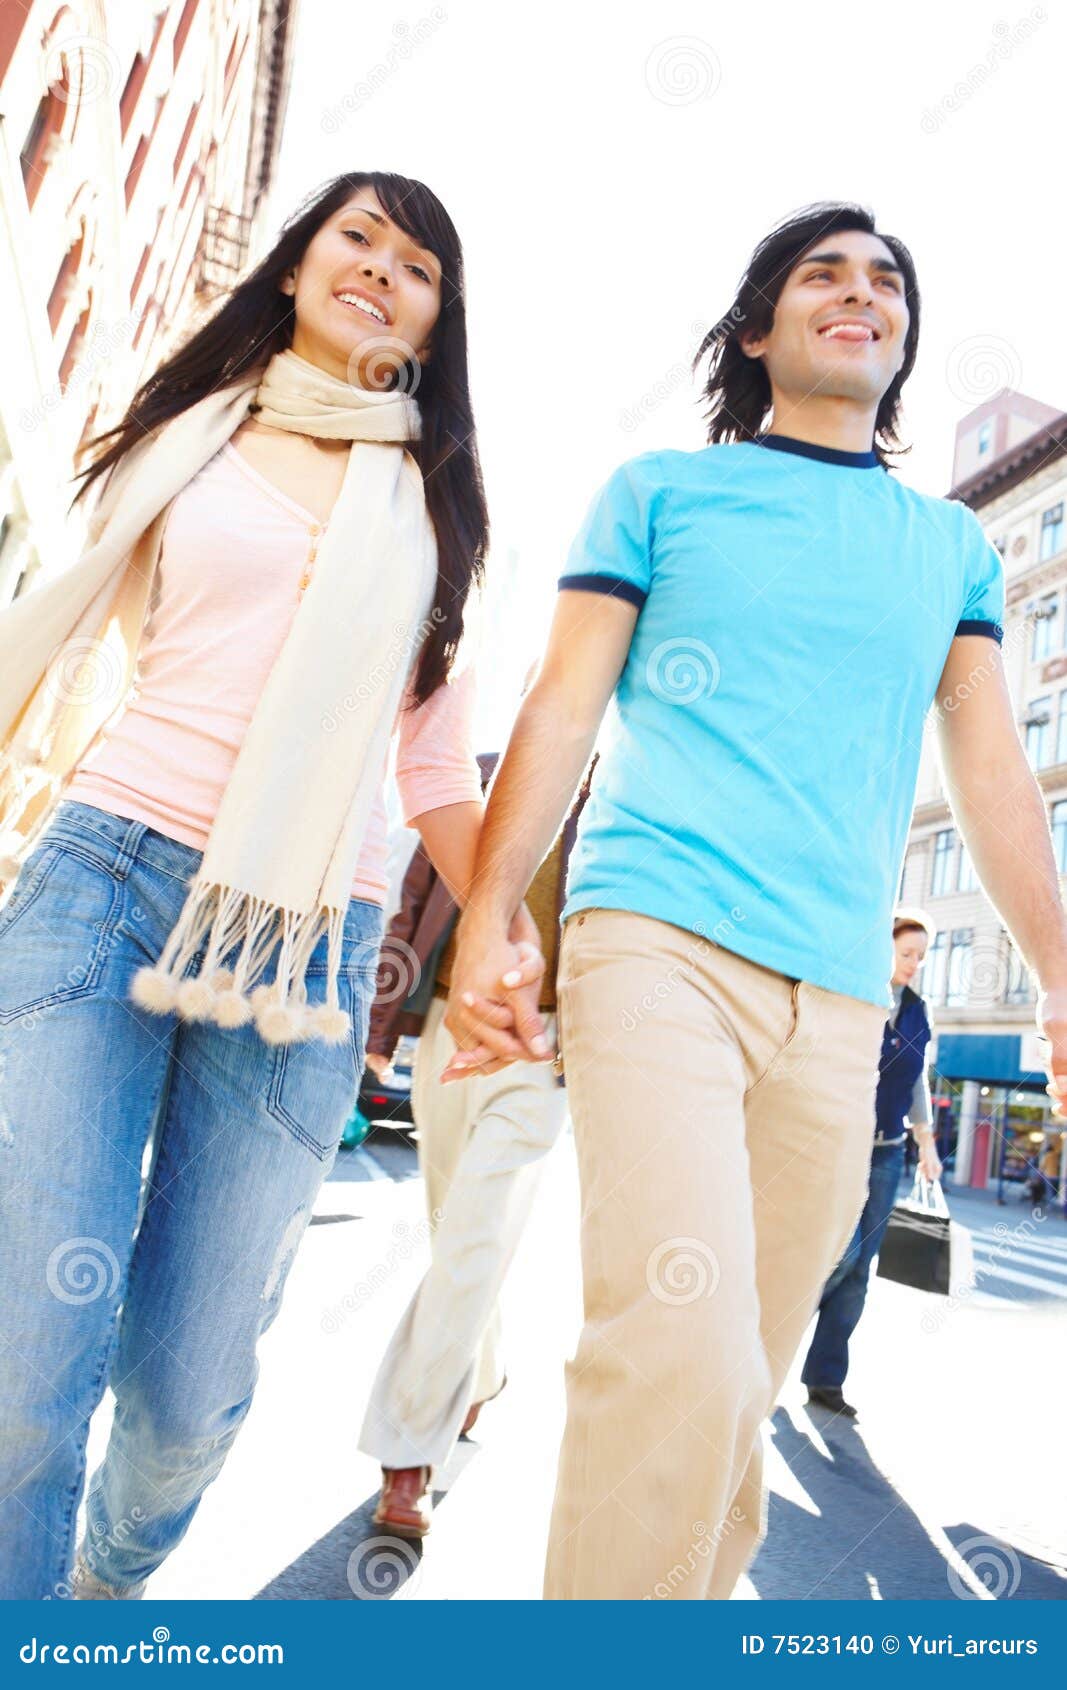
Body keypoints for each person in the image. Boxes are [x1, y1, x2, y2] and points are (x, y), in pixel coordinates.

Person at [441, 201, 1067, 1600]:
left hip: (838, 999)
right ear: (755, 329)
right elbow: (561, 706)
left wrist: (1054, 969)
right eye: (820, 276)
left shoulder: (947, 551)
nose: (859, 294)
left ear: (899, 339)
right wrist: (490, 910)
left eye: (883, 283)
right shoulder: (660, 493)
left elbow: (987, 775)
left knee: (736, 1379)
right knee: (669, 1345)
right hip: (654, 934)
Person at [0, 172, 540, 1600]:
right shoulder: (187, 434)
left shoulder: (439, 518)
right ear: (296, 264)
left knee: (183, 1397)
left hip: (307, 944)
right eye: (354, 234)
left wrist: (498, 932)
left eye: (415, 258)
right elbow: (50, 623)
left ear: (438, 315)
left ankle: (104, 1580)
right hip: (100, 881)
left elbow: (433, 774)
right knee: (22, 1364)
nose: (378, 265)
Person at [357, 758, 594, 1535]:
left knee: (475, 1235)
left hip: (542, 1051)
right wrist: (379, 1031)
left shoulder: (629, 792)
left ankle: (407, 1454)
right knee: (453, 1236)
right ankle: (481, 1372)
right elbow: (416, 904)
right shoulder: (475, 777)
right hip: (451, 1037)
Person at [802, 909, 940, 1418]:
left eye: (922, 956)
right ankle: (765, 1344)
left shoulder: (919, 1010)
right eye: (907, 953)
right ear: (884, 948)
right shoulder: (854, 995)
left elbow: (918, 1081)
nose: (915, 963)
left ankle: (825, 1380)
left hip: (887, 1151)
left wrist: (925, 1144)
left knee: (861, 1269)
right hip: (840, 1142)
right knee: (840, 1255)